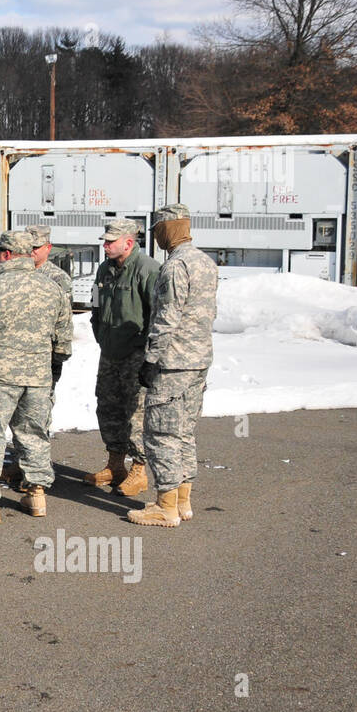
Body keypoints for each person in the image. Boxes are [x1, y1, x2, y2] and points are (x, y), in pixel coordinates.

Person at [0, 231, 72, 525]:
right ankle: (36, 495)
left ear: (6, 254)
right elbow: (64, 340)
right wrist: (50, 367)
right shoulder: (52, 288)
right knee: (34, 435)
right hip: (38, 378)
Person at [129, 205, 218, 528]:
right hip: (198, 362)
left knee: (161, 432)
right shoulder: (205, 262)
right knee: (184, 431)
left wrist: (151, 359)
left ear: (169, 229)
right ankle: (183, 500)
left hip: (173, 363)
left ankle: (165, 506)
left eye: (157, 228)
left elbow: (167, 318)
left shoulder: (175, 266)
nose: (155, 235)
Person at [85, 218, 161, 497]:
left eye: (110, 241)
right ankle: (115, 464)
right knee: (107, 406)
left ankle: (138, 470)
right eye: (104, 241)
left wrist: (150, 357)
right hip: (109, 352)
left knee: (135, 413)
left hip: (135, 355)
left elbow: (158, 316)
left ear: (128, 243)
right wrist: (99, 333)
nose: (104, 246)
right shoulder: (104, 269)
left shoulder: (148, 270)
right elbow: (94, 303)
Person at [0, 223, 72, 486]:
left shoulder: (57, 279)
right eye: (27, 248)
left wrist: (57, 360)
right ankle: (19, 466)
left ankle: (33, 475)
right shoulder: (8, 275)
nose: (31, 252)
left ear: (48, 249)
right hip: (12, 360)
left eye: (36, 248)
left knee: (37, 420)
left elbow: (62, 325)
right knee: (17, 419)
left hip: (42, 362)